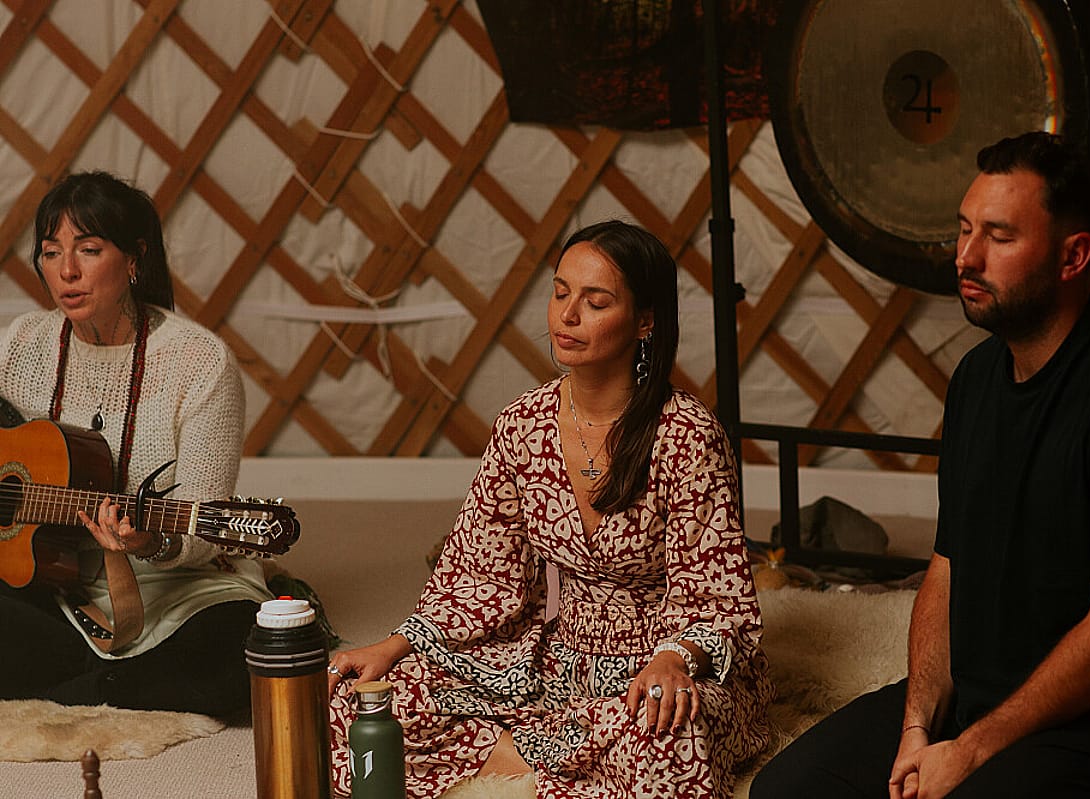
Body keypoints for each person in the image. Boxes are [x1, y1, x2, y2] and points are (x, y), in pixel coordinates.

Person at [751, 132, 1090, 798]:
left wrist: (971, 749)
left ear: (1074, 254)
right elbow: (946, 565)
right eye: (964, 230)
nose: (967, 256)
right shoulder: (975, 378)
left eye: (999, 236)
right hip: (977, 698)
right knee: (787, 790)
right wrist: (917, 728)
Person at [326, 220, 773, 797]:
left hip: (665, 670)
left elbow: (714, 593)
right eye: (561, 293)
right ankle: (568, 757)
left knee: (668, 737)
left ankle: (547, 754)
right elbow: (479, 570)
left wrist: (676, 657)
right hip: (558, 665)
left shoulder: (686, 434)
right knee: (366, 706)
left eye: (596, 302)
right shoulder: (523, 425)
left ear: (645, 320)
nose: (567, 316)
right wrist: (393, 646)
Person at [0, 170, 272, 715]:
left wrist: (148, 541)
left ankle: (85, 682)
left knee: (244, 657)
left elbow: (203, 527)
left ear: (134, 259)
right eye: (51, 253)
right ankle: (107, 681)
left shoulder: (198, 364)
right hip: (49, 583)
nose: (67, 272)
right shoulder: (21, 344)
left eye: (89, 250)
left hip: (172, 589)